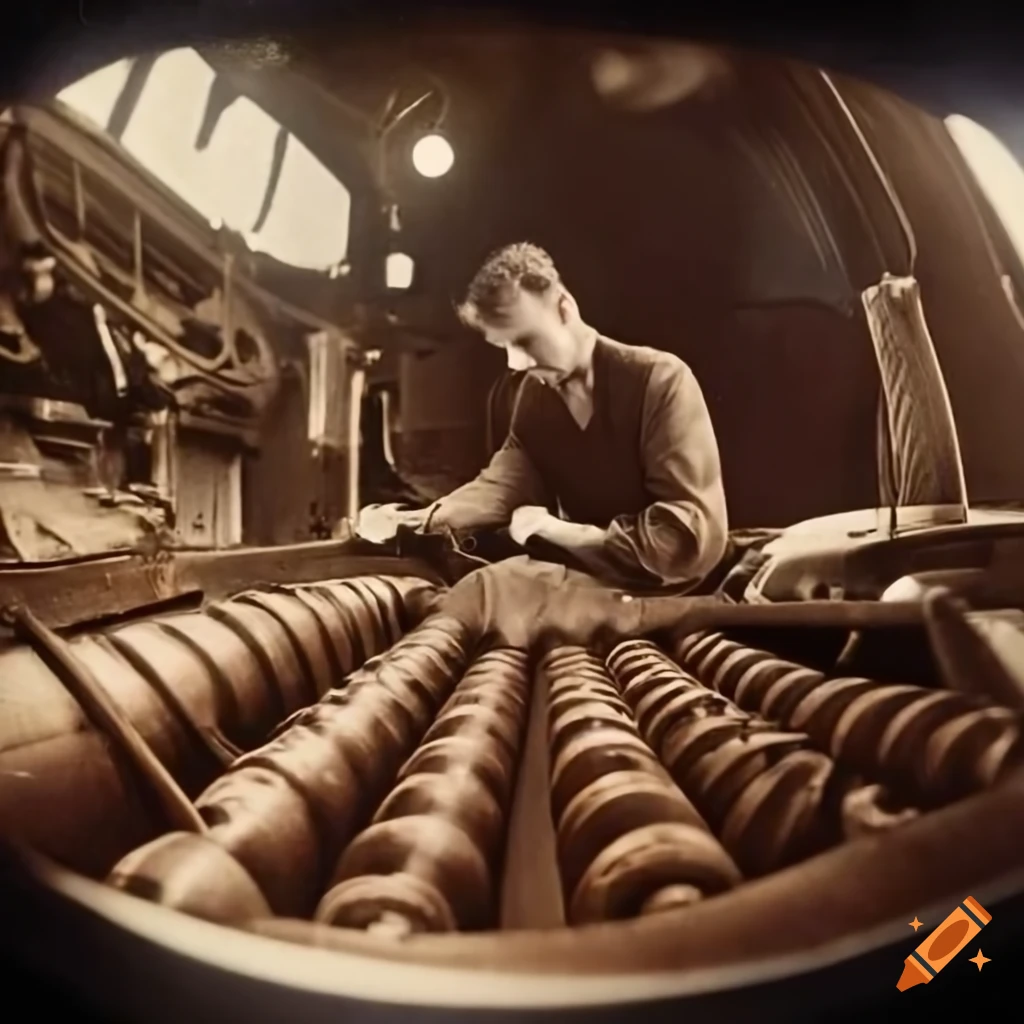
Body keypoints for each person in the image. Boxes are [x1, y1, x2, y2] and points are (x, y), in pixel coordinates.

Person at [356, 241, 728, 594]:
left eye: (525, 341)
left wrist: (560, 532)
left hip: (685, 594)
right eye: (503, 347)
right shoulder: (534, 396)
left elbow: (682, 540)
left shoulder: (661, 379)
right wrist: (413, 522)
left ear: (565, 308)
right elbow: (502, 487)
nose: (516, 364)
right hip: (599, 589)